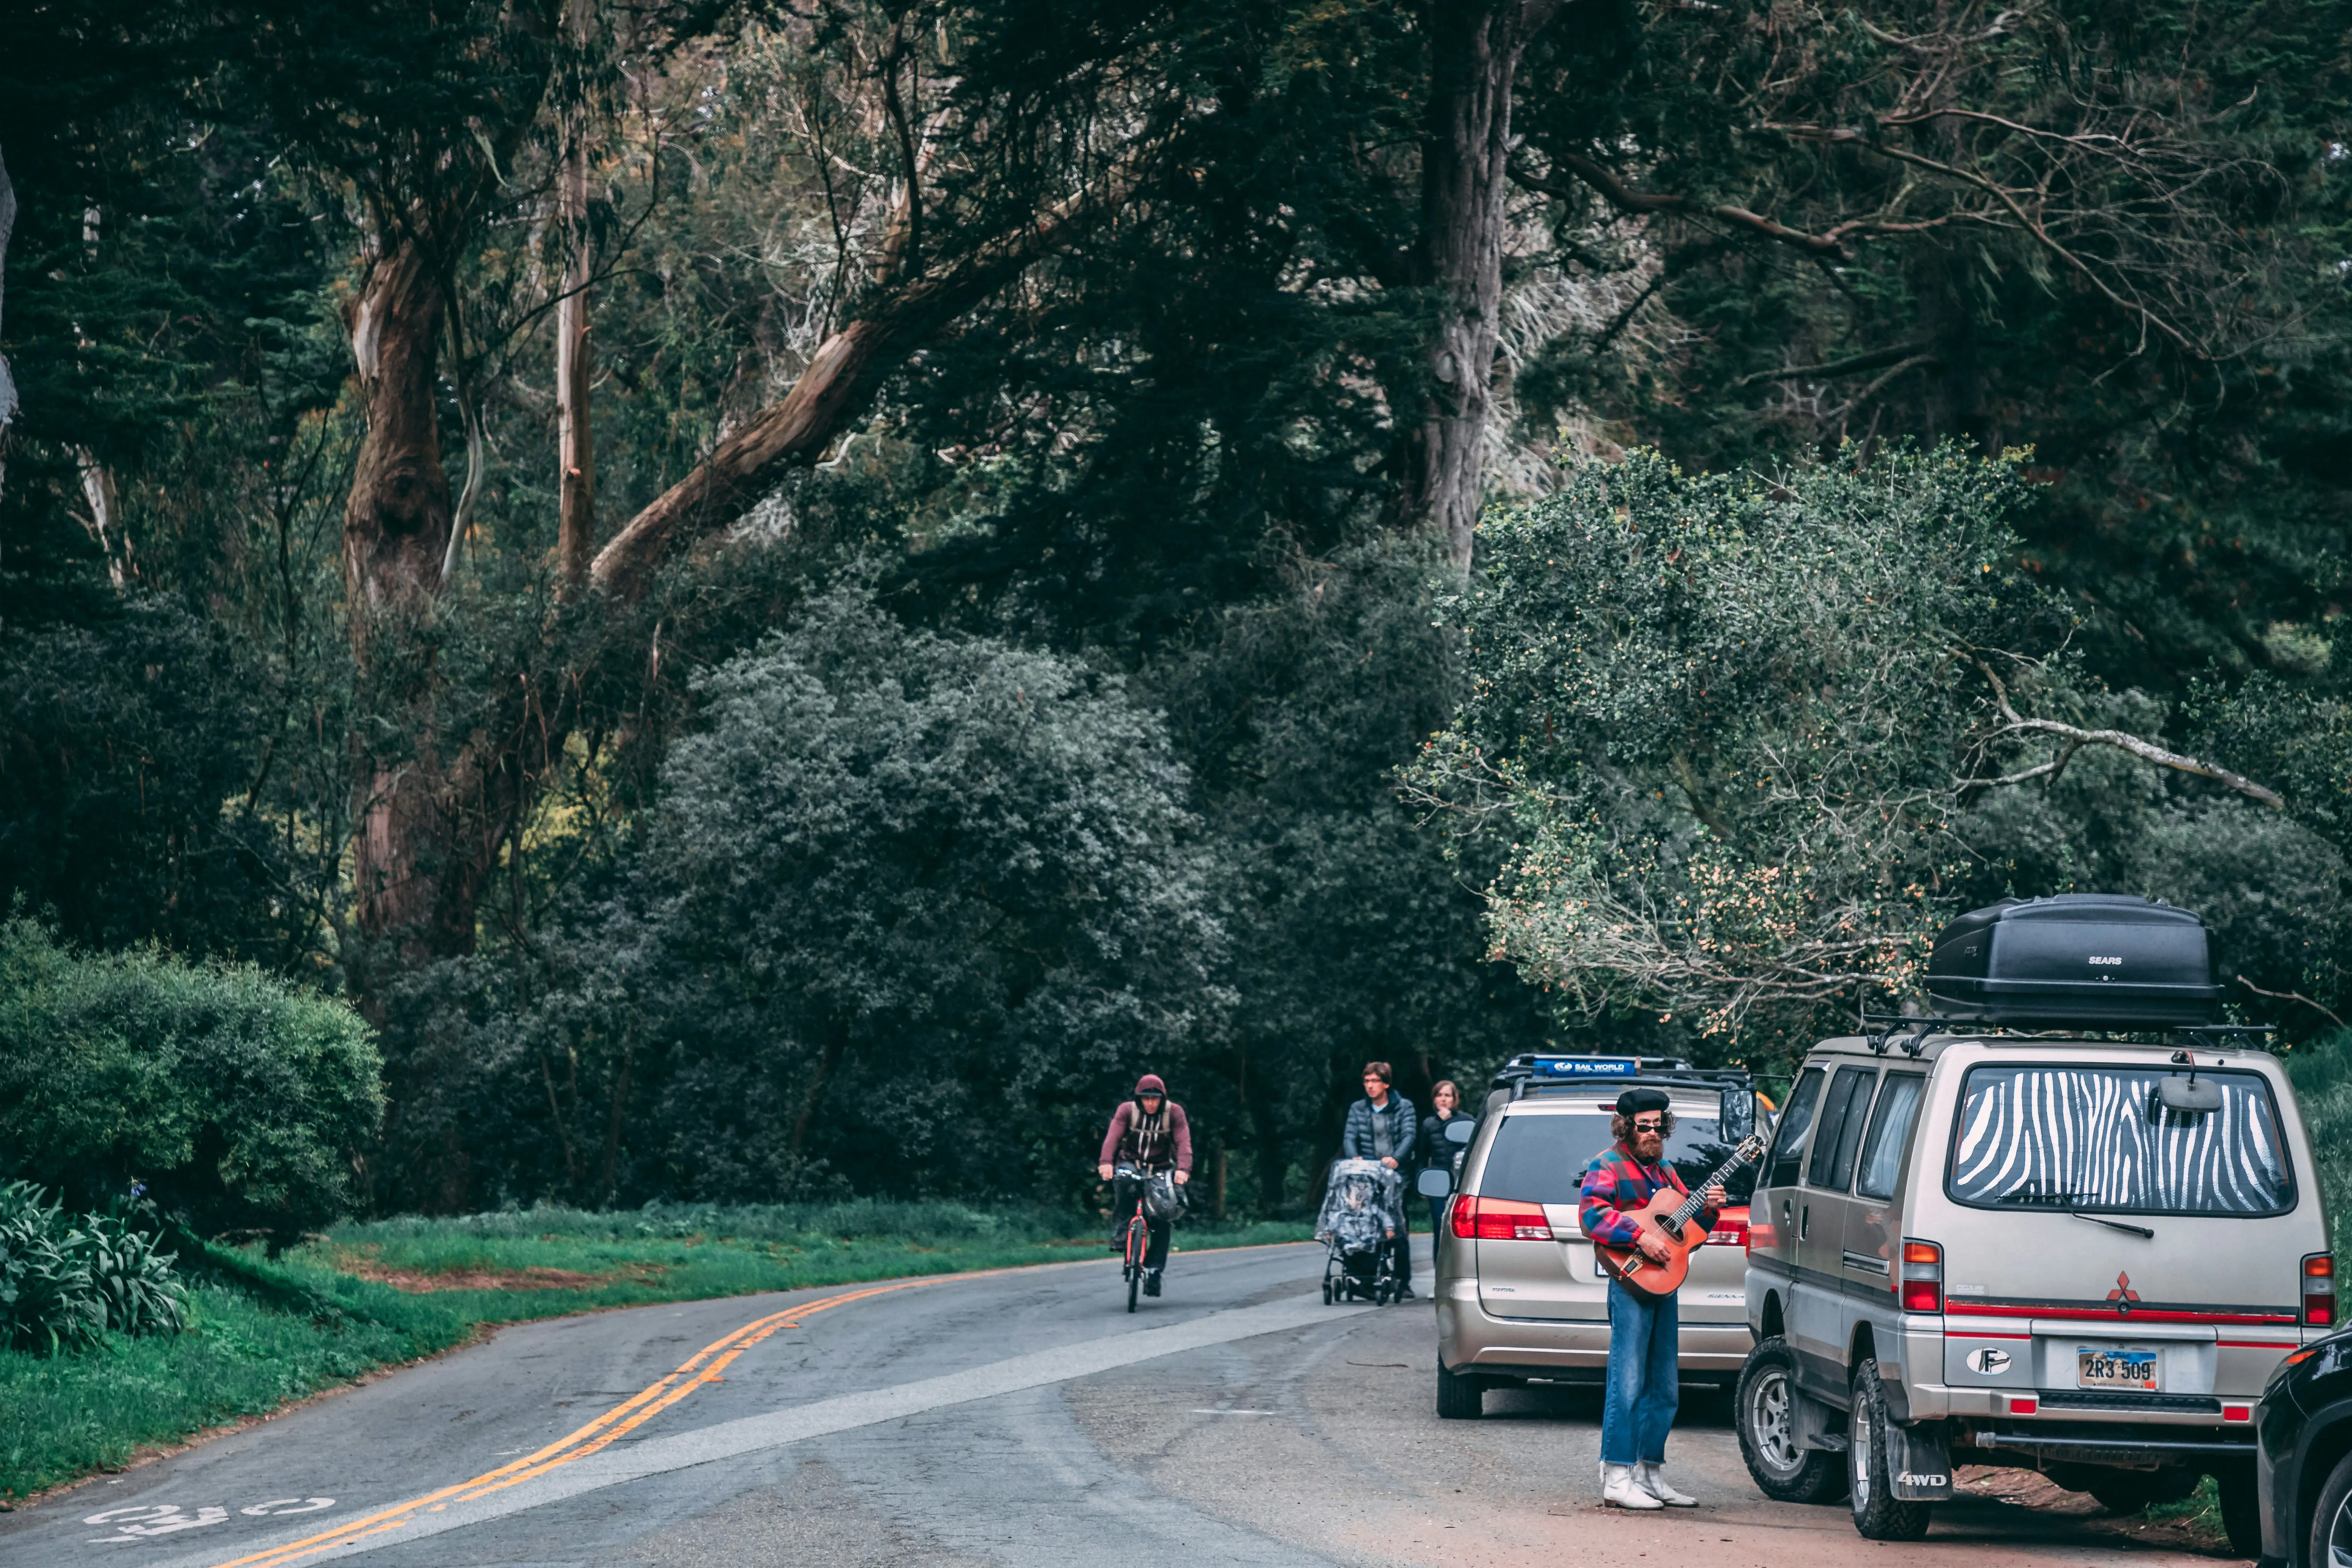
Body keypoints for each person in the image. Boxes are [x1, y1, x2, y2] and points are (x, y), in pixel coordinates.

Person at [1579, 1086, 1726, 1510]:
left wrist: (1711, 1208)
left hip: (1664, 1284)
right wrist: (1639, 1235)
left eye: (1659, 1126)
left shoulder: (1666, 1173)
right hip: (1629, 1284)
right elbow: (1592, 1213)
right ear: (1626, 1127)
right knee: (1627, 1382)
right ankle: (1616, 1473)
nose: (1653, 1133)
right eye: (1644, 1126)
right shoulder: (1606, 1164)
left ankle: (1649, 1472)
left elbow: (1690, 1232)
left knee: (1664, 1385)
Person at [1097, 1073, 1192, 1297]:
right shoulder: (1127, 1111)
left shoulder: (1175, 1113)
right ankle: (1122, 1231)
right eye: (1146, 1098)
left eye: (1155, 1099)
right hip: (1131, 1163)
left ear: (1163, 1099)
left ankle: (1154, 1271)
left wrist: (1183, 1170)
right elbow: (1112, 1137)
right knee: (1123, 1180)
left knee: (1164, 1216)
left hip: (1161, 1168)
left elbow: (1183, 1142)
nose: (1150, 1103)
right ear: (1139, 1099)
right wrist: (1105, 1163)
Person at [1339, 1061, 1417, 1298]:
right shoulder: (1358, 1109)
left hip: (1394, 1176)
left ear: (1386, 1084)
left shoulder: (1404, 1106)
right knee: (1358, 1223)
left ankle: (1403, 1281)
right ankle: (1359, 1276)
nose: (1370, 1086)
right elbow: (1350, 1136)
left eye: (1375, 1081)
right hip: (1366, 1175)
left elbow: (1409, 1135)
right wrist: (1354, 1157)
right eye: (1367, 1081)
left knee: (1398, 1226)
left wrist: (1396, 1158)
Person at [1417, 1079, 1474, 1237]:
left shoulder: (1466, 1120)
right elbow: (1423, 1155)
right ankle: (1438, 1261)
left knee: (1459, 1227)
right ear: (1434, 1099)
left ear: (1455, 1099)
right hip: (1437, 1180)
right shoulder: (1429, 1124)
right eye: (1439, 1095)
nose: (1443, 1099)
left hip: (1460, 1181)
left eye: (1448, 1095)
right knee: (1439, 1226)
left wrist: (1449, 1121)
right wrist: (1422, 1182)